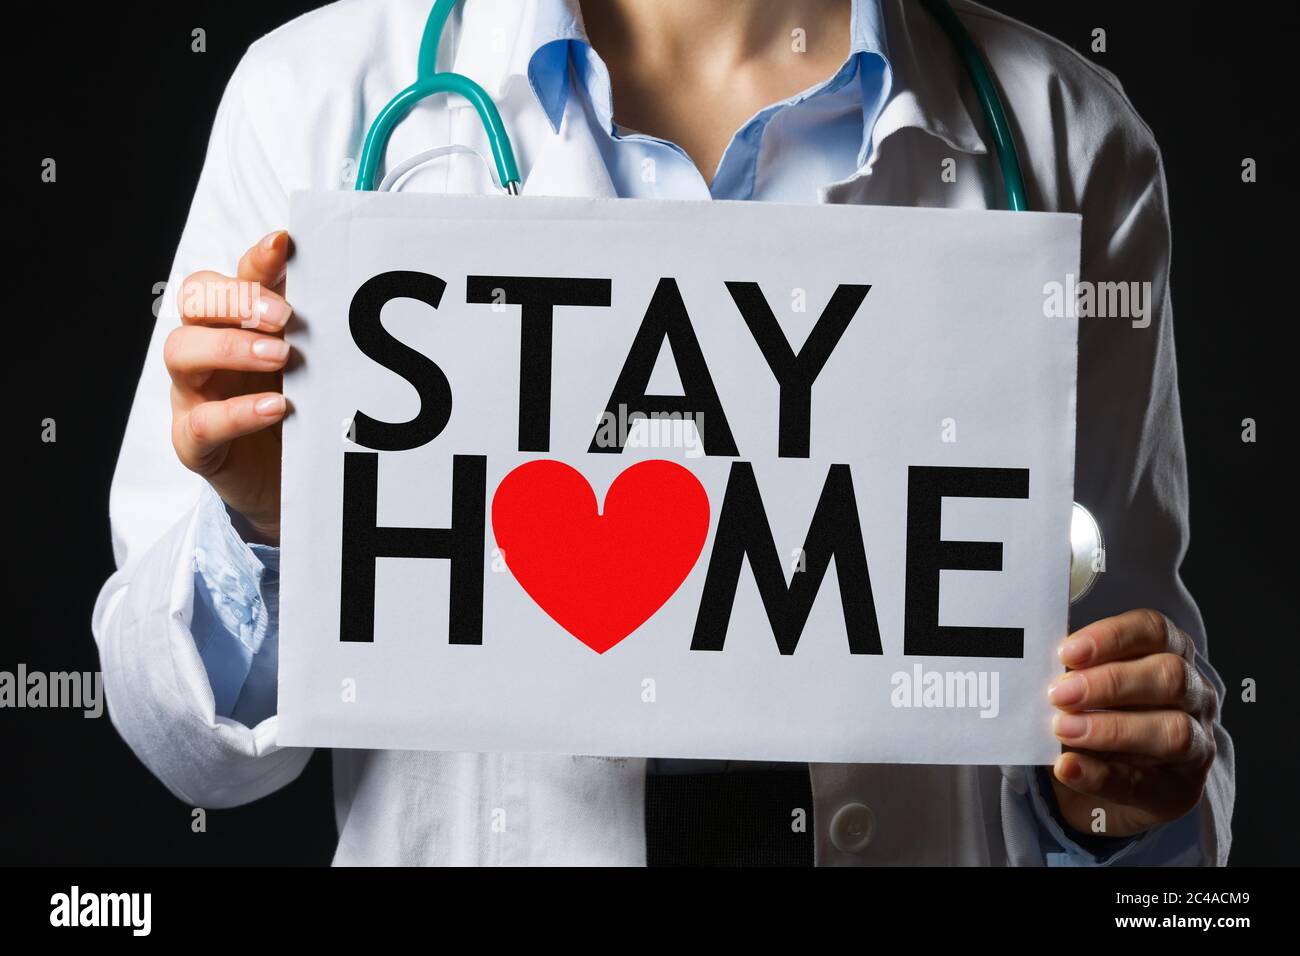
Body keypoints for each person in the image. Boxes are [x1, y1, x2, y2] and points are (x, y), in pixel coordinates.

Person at [92, 0, 1234, 865]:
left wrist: (1123, 810)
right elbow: (195, 748)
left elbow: (1122, 691)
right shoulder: (311, 97)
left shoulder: (1067, 136)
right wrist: (275, 525)